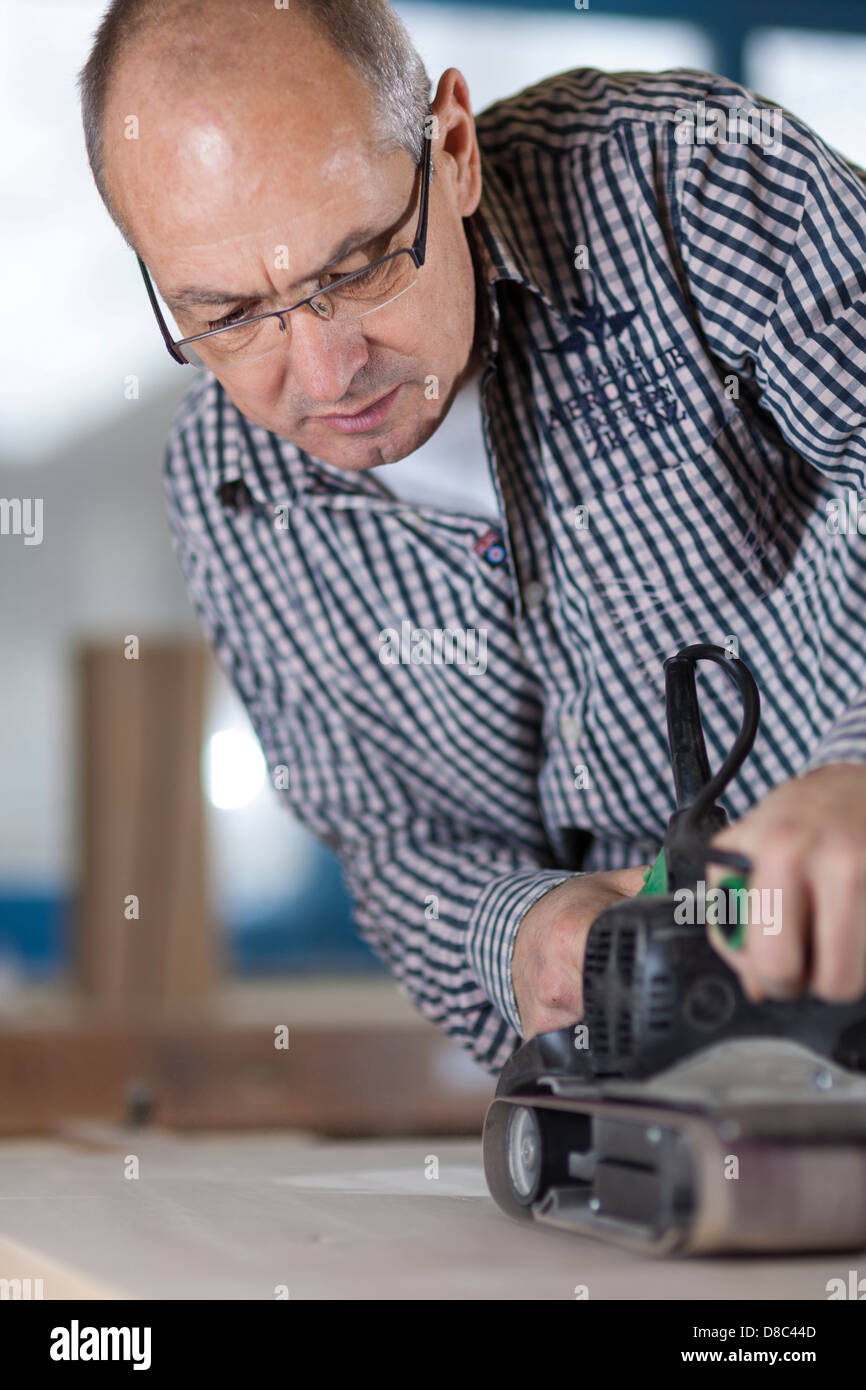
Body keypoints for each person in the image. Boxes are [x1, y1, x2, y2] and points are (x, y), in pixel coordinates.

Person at [79, 0, 866, 1073]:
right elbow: (395, 836)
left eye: (356, 267)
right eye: (225, 315)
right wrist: (524, 936)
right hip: (696, 1093)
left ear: (450, 151)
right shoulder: (231, 490)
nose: (323, 376)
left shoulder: (691, 188)